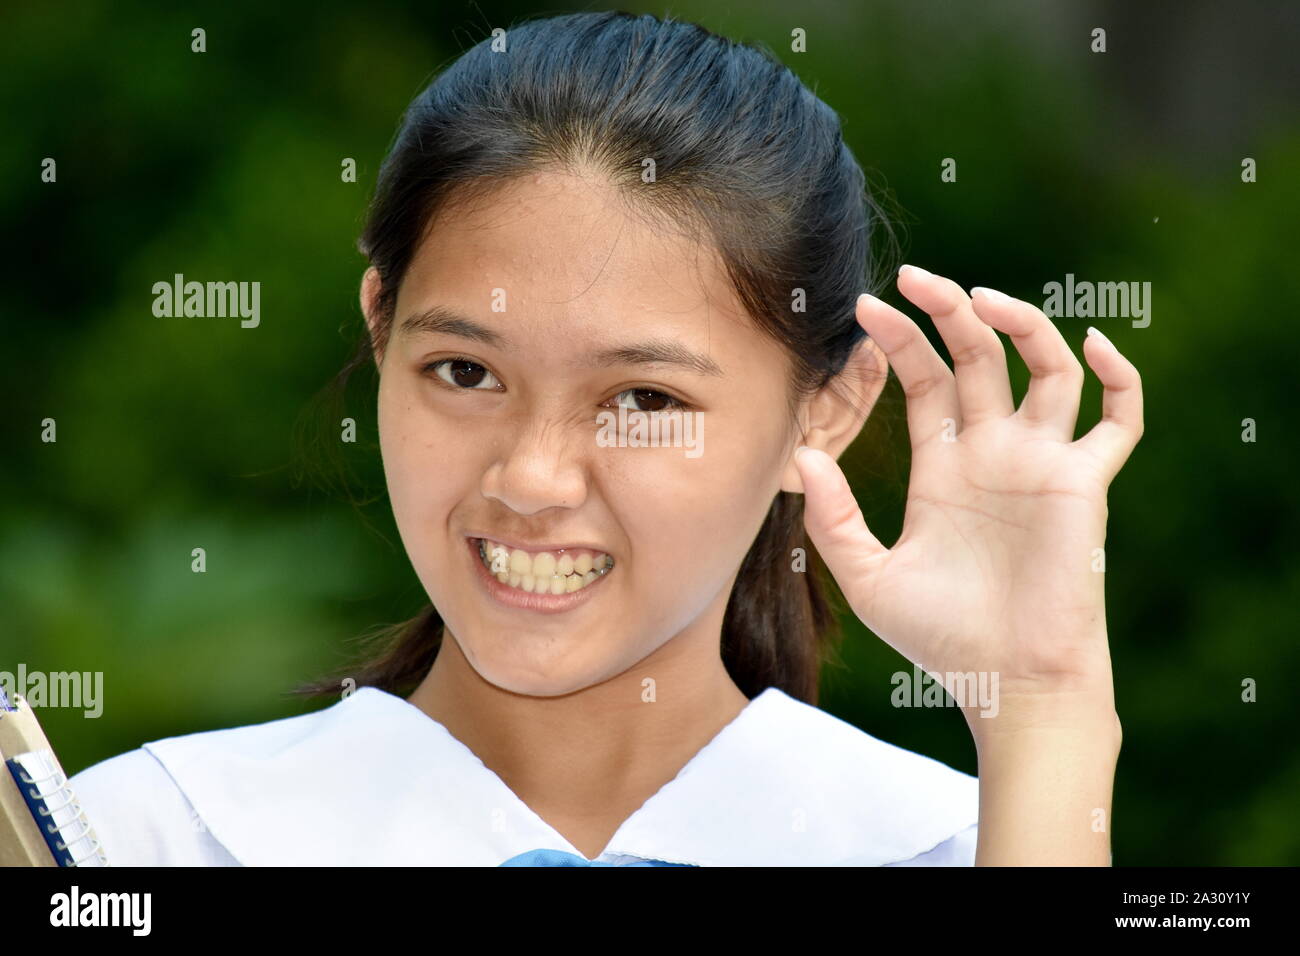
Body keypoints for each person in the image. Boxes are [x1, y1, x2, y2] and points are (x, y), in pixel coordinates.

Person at [69, 10, 1140, 866]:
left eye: (641, 399)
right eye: (465, 371)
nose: (531, 477)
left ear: (826, 407)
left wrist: (1043, 707)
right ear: (379, 326)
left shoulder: (963, 845)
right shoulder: (138, 841)